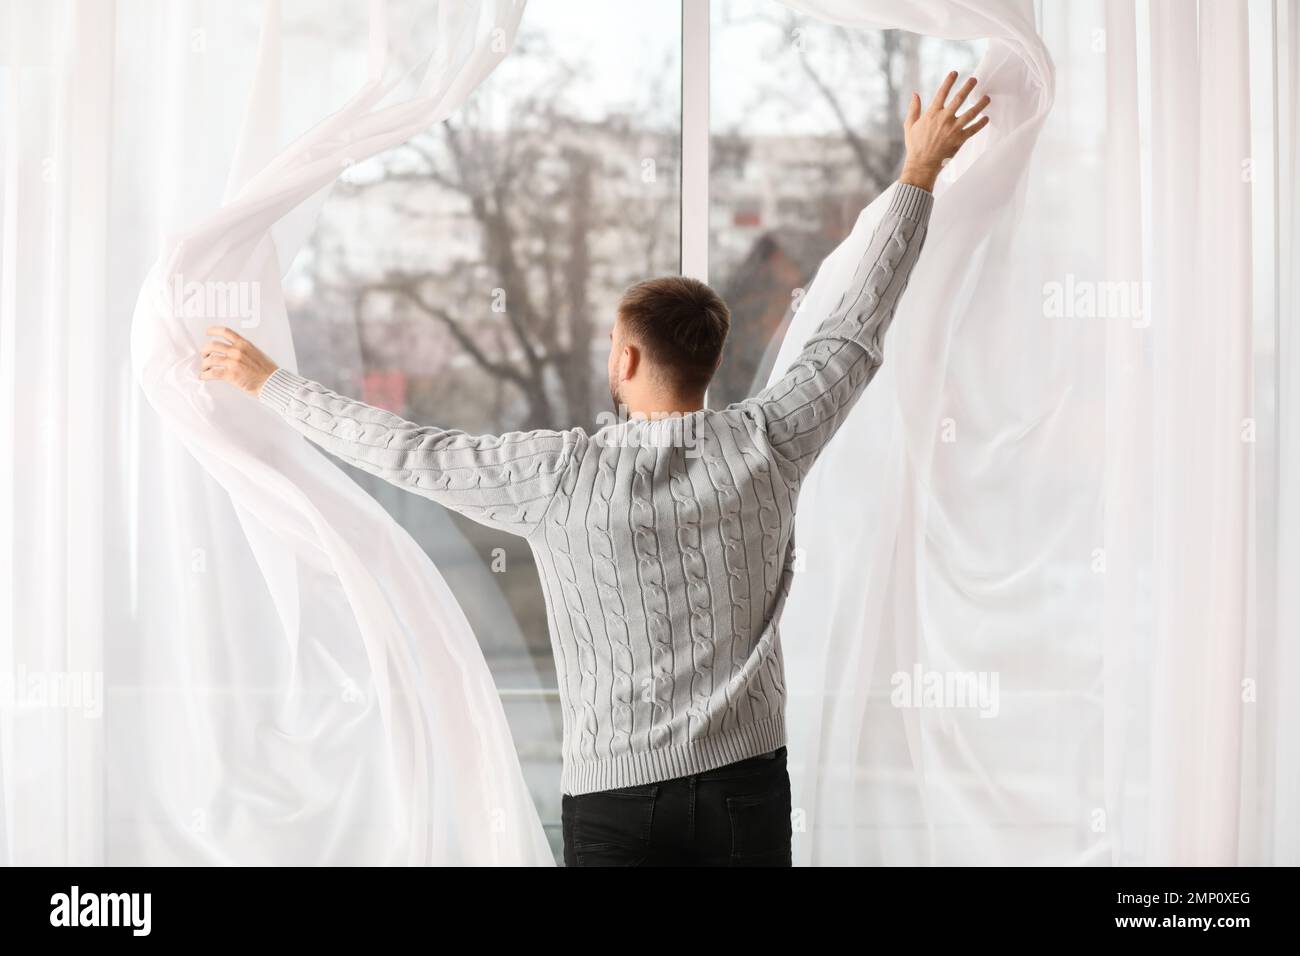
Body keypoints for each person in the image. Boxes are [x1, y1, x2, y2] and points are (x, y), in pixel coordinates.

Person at [200, 72, 990, 866]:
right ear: (708, 360)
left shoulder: (558, 478)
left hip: (614, 802)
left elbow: (408, 451)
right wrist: (918, 174)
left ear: (629, 356)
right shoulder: (769, 445)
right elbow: (855, 329)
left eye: (614, 342)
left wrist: (270, 382)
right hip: (744, 789)